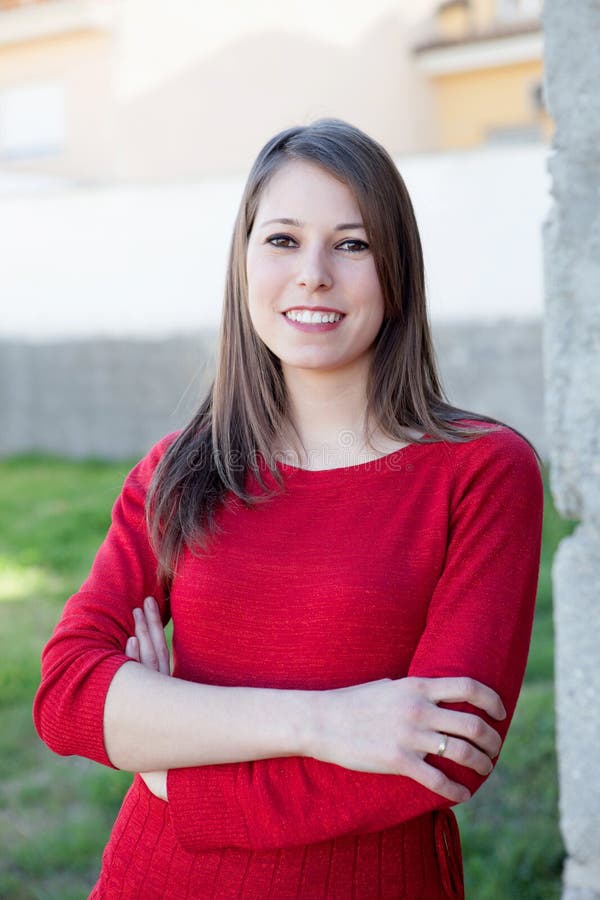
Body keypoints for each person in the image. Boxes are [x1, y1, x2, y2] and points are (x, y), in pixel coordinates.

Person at [33, 118, 544, 899]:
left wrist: (167, 751)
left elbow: (441, 756)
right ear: (243, 264)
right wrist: (329, 723)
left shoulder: (480, 473)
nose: (313, 274)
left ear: (396, 269)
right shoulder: (178, 470)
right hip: (153, 878)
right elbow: (69, 694)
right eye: (281, 240)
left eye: (352, 243)